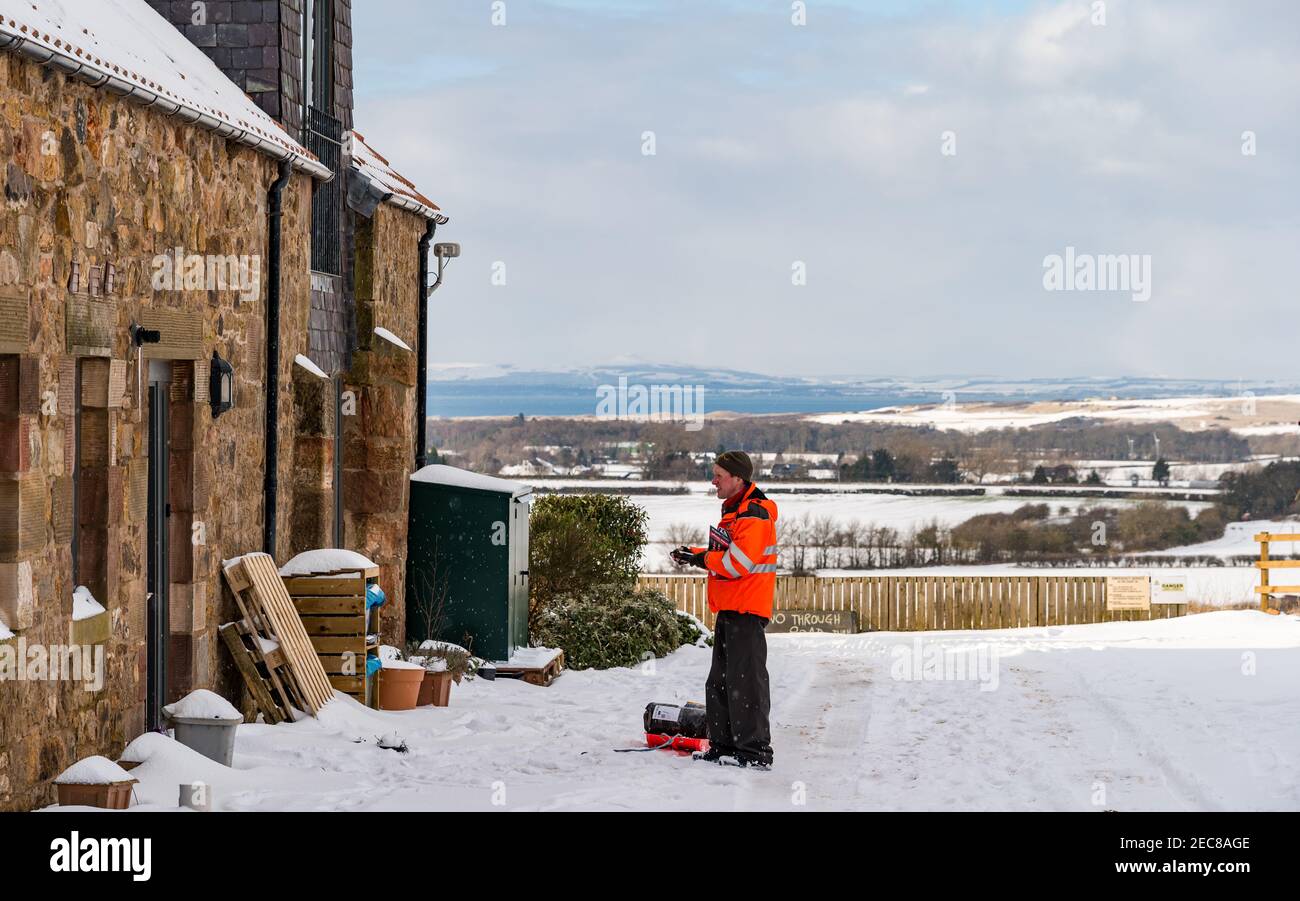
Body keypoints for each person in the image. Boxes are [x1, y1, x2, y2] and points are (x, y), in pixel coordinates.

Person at [671, 451, 777, 769]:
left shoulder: (754, 515)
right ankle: (723, 745)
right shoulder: (735, 513)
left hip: (747, 610)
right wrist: (696, 554)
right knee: (719, 682)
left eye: (718, 475)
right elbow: (726, 552)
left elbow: (737, 563)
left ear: (737, 478)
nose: (713, 480)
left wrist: (702, 560)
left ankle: (754, 752)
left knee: (746, 682)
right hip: (730, 609)